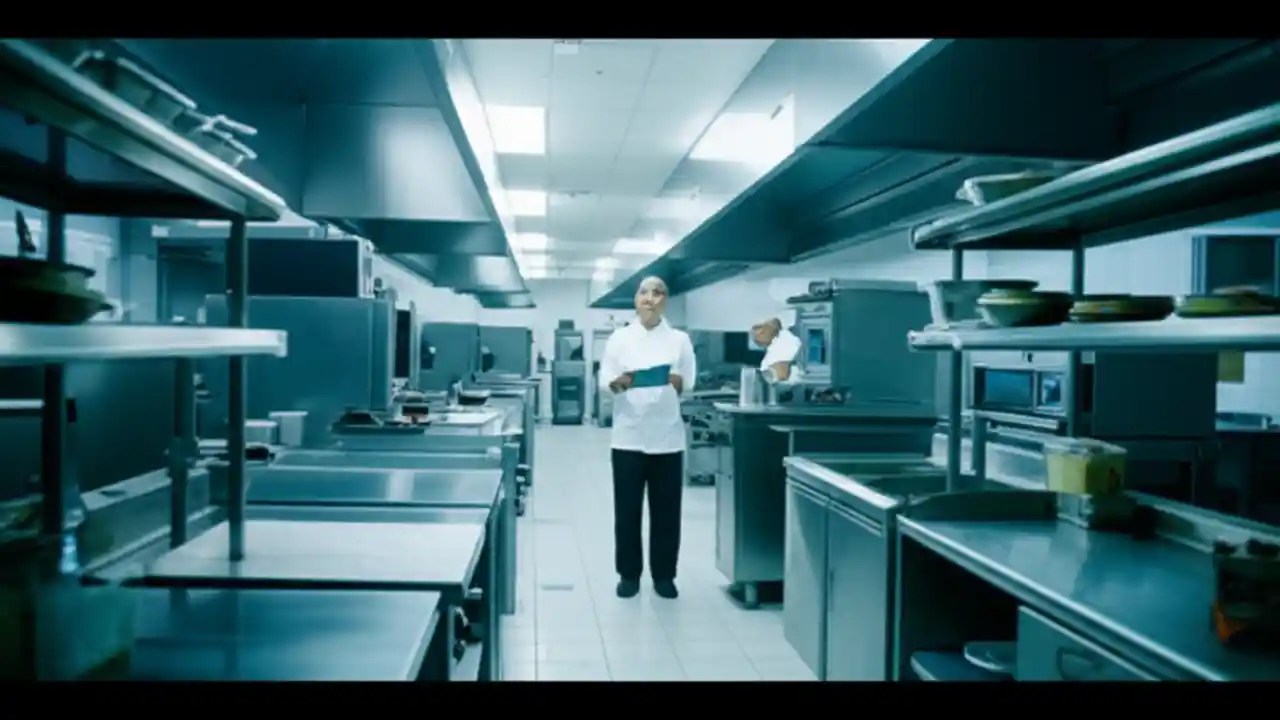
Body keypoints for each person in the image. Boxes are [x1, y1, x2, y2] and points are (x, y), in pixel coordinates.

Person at [598, 276, 697, 600]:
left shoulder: (679, 340)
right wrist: (624, 382)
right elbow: (604, 382)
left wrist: (673, 380)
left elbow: (689, 382)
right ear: (636, 299)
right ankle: (628, 575)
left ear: (665, 301)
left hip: (668, 439)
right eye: (644, 292)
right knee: (627, 512)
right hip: (628, 438)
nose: (650, 298)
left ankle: (664, 576)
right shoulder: (620, 339)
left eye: (658, 293)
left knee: (667, 512)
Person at [751, 316, 803, 382]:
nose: (764, 330)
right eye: (761, 333)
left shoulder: (783, 333)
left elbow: (775, 321)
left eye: (763, 329)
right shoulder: (767, 362)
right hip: (801, 370)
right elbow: (781, 375)